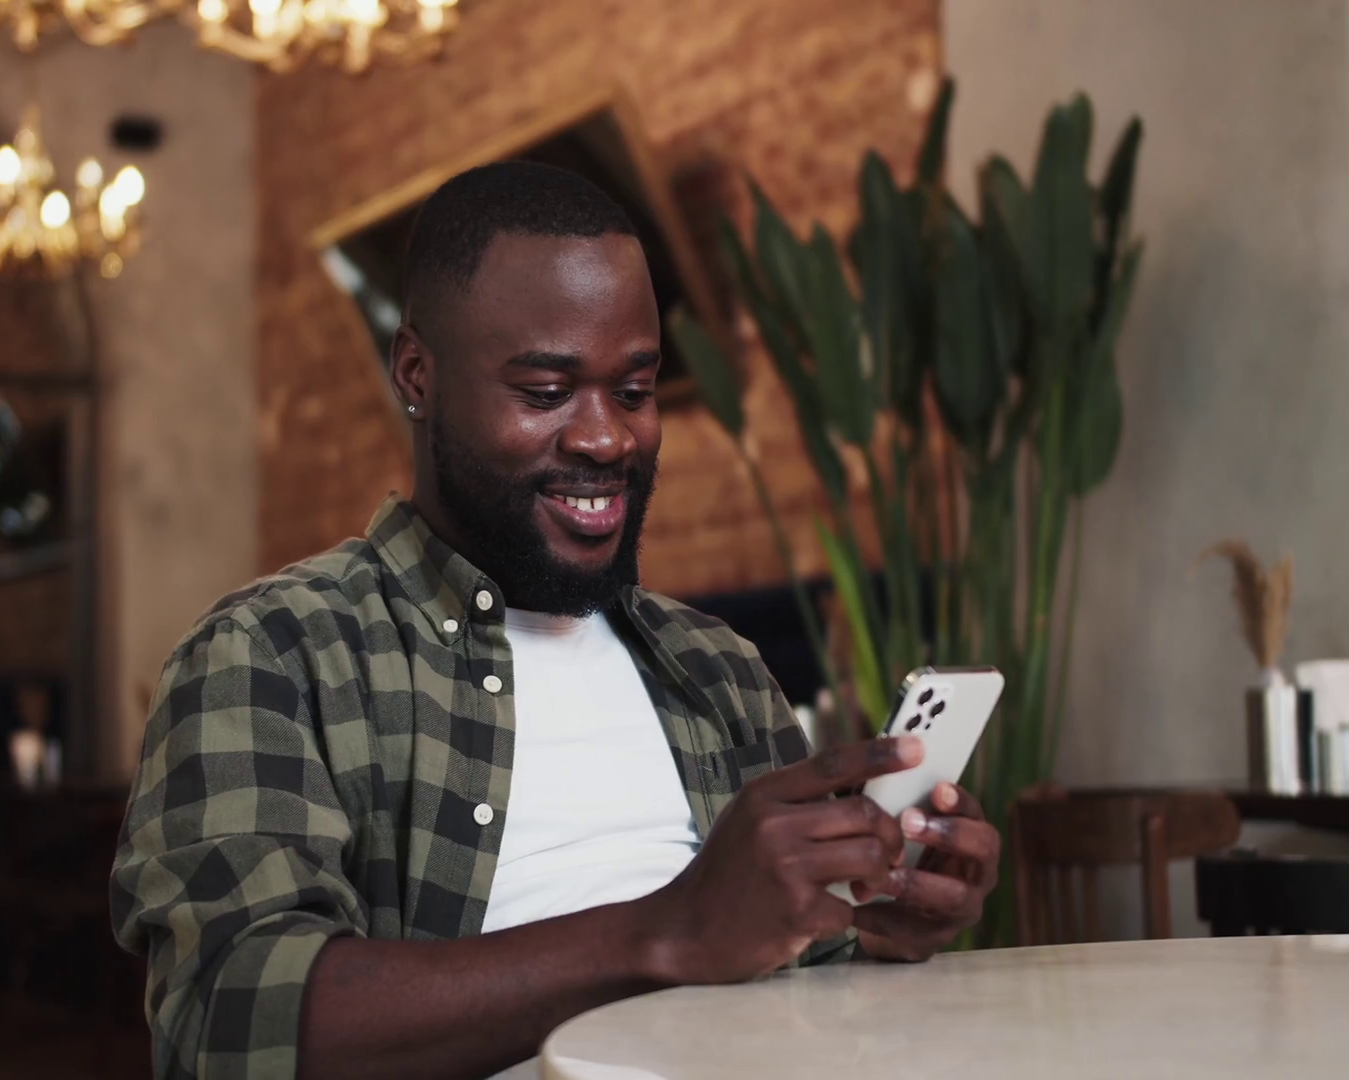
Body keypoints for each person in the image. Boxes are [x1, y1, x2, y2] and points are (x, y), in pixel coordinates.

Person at [110, 161, 1001, 1080]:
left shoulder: (718, 670)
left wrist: (867, 926)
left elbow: (780, 978)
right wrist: (662, 933)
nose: (605, 438)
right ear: (417, 375)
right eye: (545, 393)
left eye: (634, 391)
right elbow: (229, 1017)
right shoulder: (272, 654)